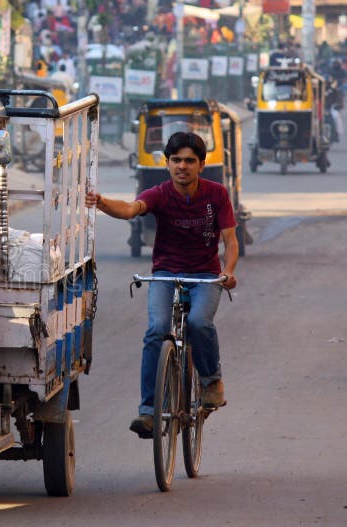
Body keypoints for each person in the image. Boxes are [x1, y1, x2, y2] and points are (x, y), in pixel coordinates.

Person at [85, 132, 238, 438]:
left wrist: (229, 271)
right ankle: (148, 412)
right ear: (167, 164)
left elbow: (231, 241)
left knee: (197, 322)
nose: (183, 166)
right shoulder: (159, 193)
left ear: (201, 164)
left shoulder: (217, 194)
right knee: (156, 329)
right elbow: (130, 210)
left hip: (206, 275)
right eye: (176, 160)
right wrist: (101, 203)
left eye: (190, 161)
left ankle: (212, 381)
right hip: (165, 273)